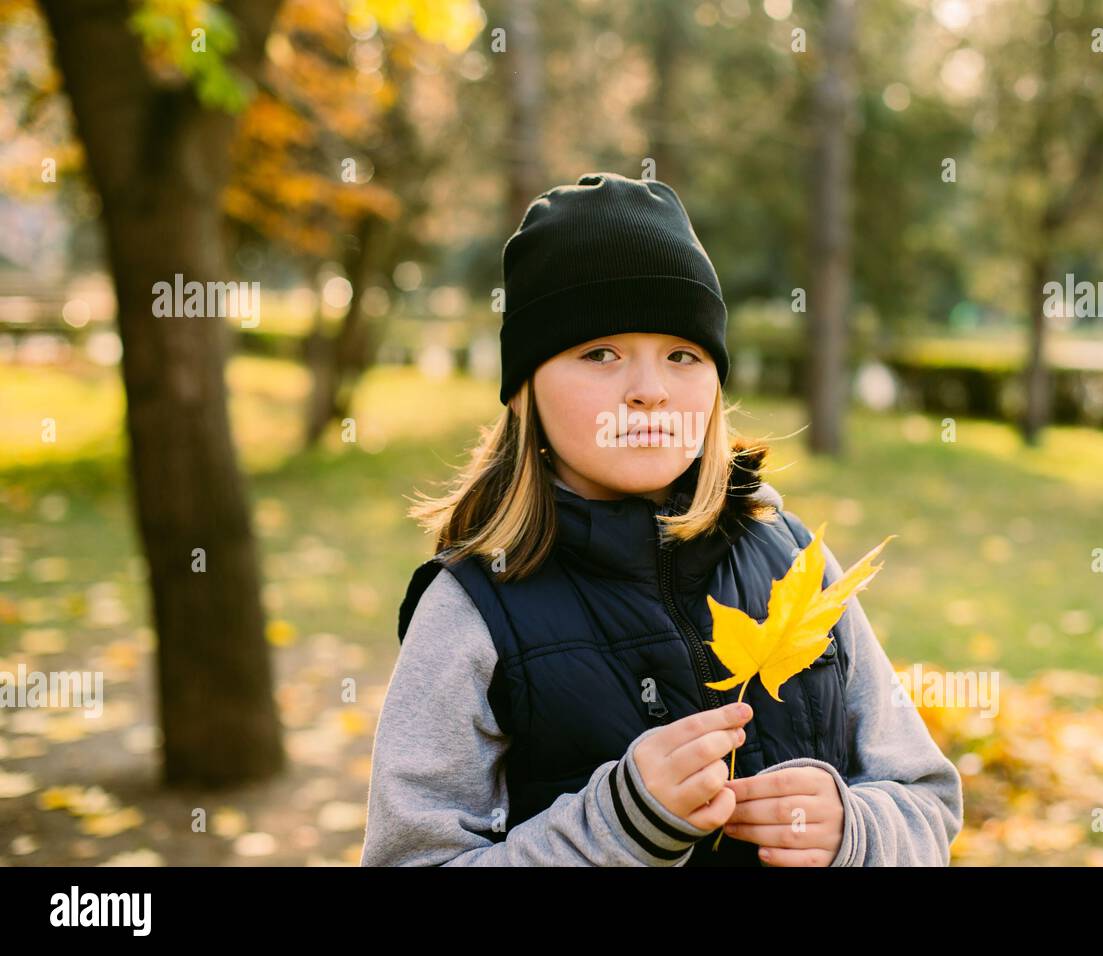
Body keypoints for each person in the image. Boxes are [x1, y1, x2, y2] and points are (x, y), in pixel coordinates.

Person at [360, 172, 962, 867]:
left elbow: (927, 800)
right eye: (600, 354)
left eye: (682, 355)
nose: (648, 391)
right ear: (525, 392)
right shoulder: (471, 611)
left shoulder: (792, 560)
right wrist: (616, 827)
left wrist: (856, 833)